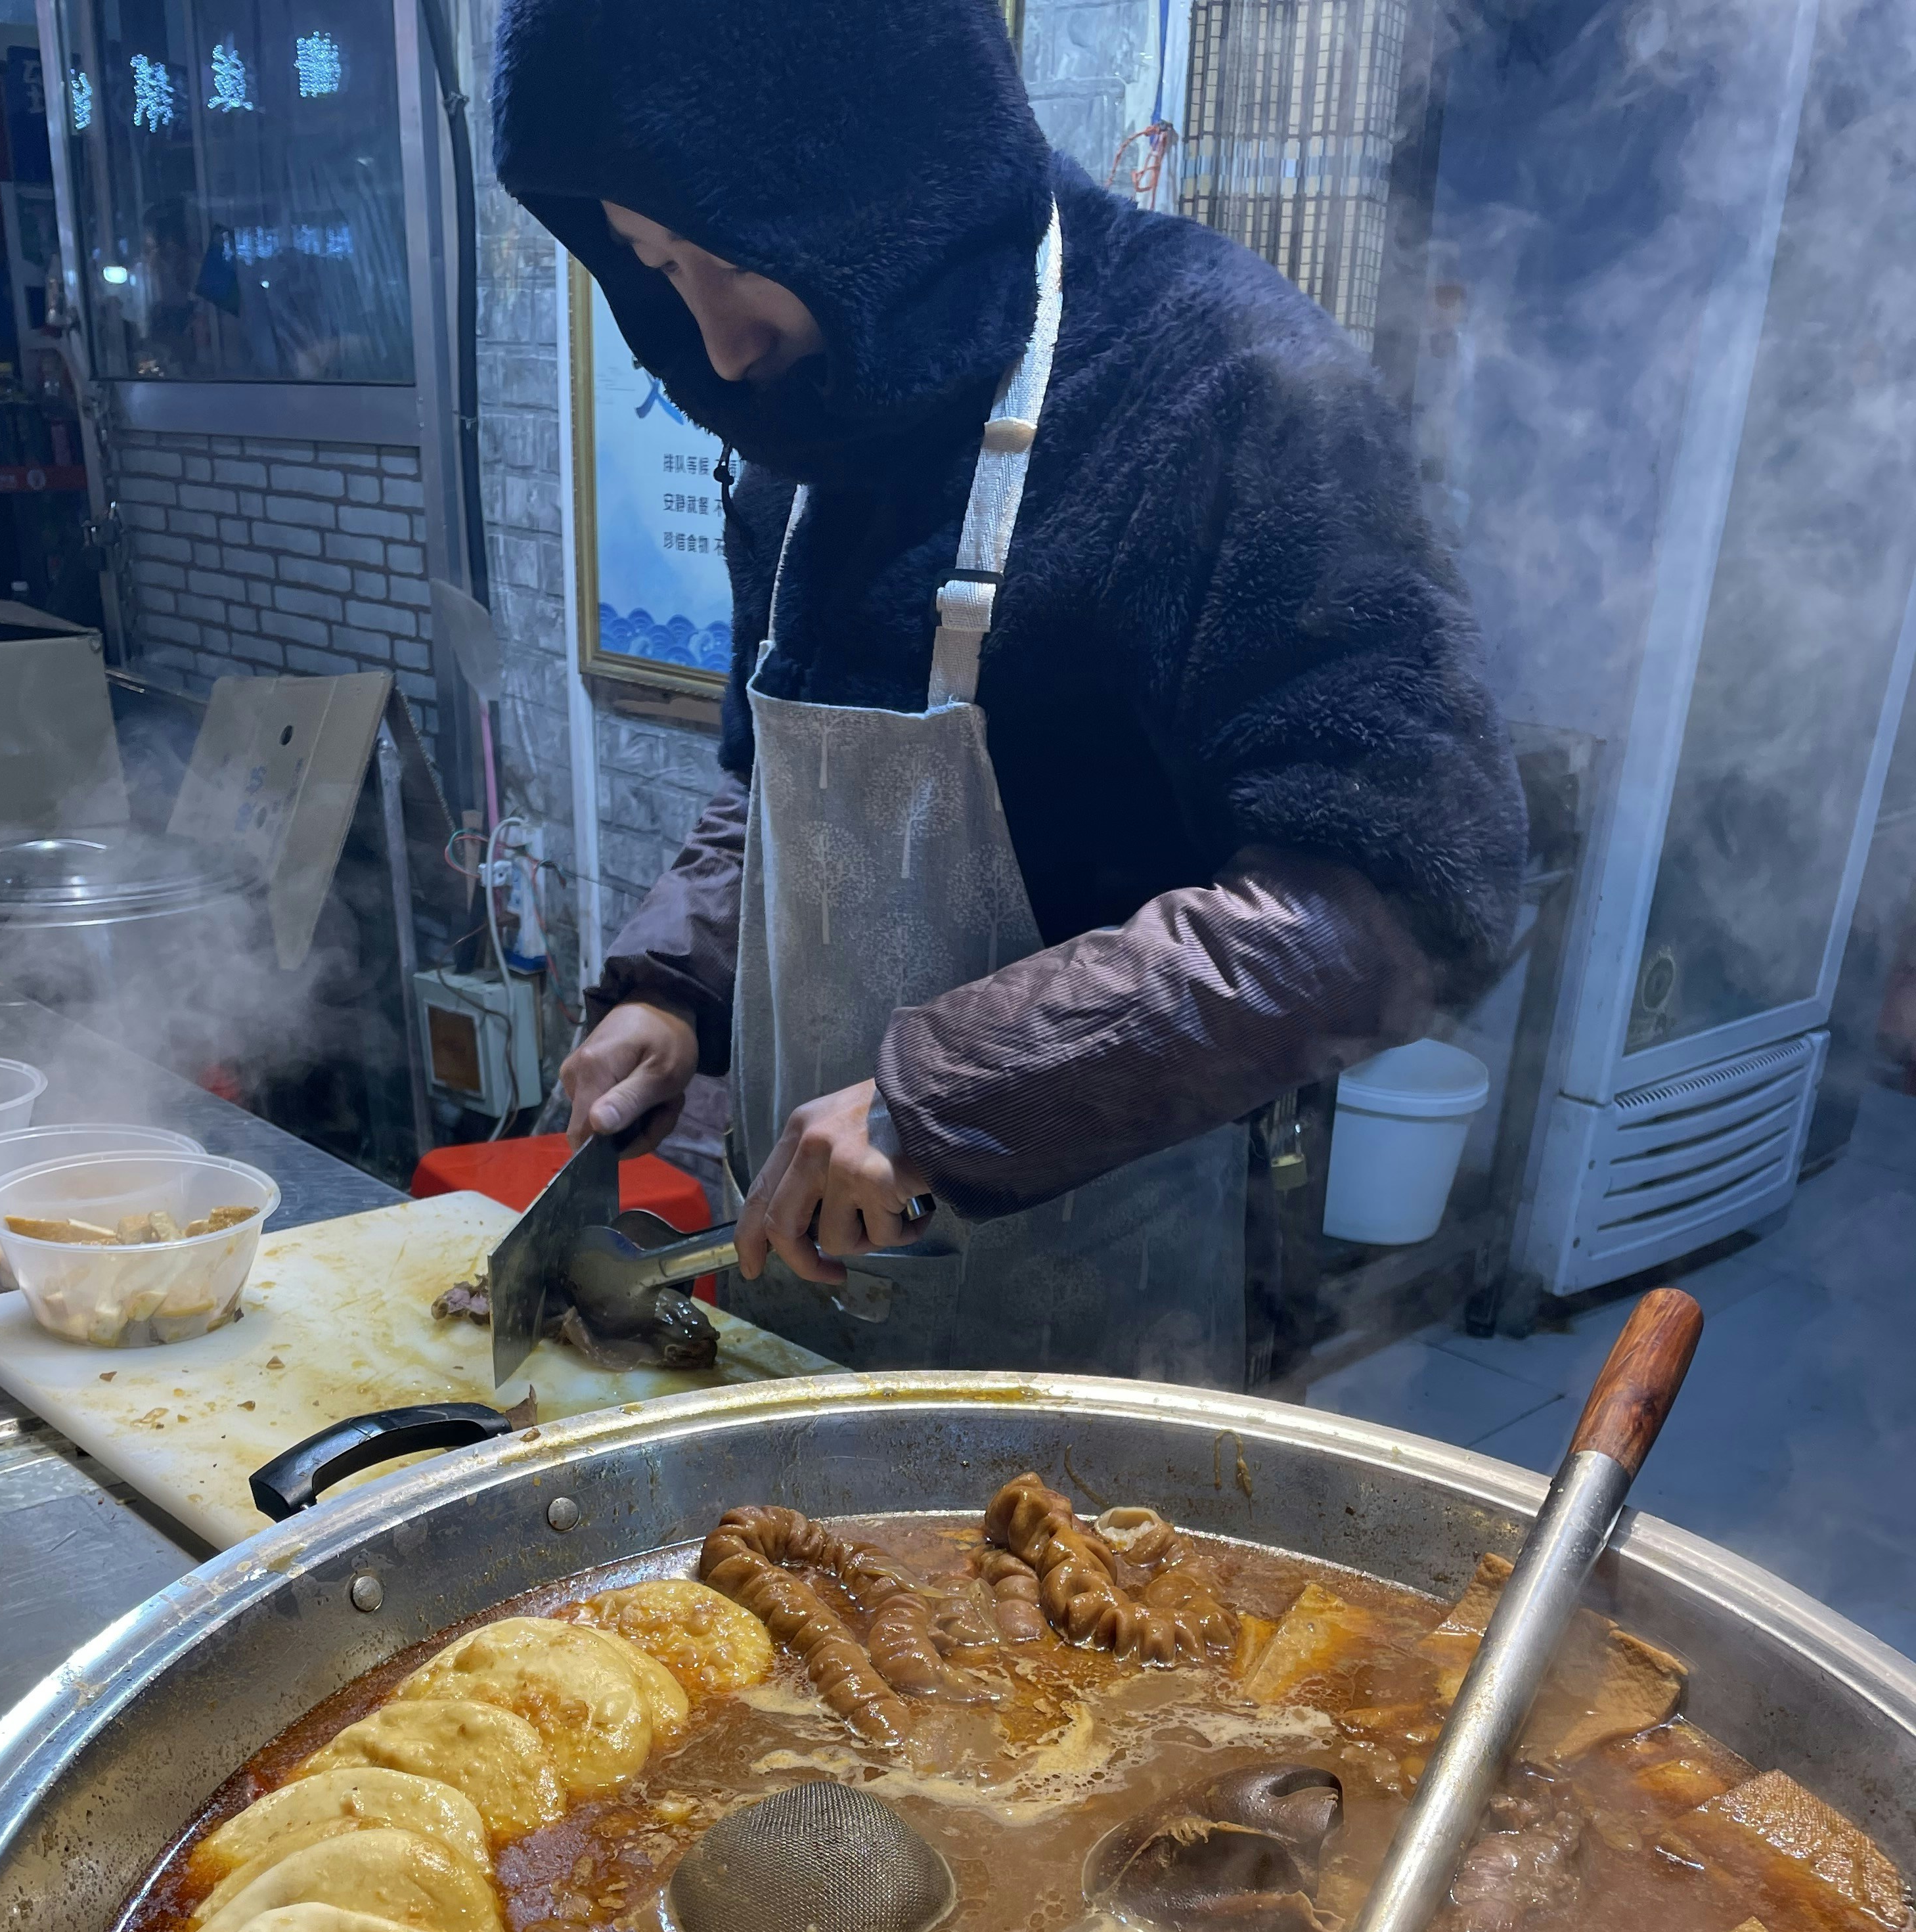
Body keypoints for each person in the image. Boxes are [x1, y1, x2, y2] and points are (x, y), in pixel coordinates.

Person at [493, 0, 1525, 1385]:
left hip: (1122, 1317)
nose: (719, 345)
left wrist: (948, 1101)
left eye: (734, 261)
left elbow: (1398, 899)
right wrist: (673, 987)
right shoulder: (801, 416)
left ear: (869, 176)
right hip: (798, 1293)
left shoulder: (1221, 383)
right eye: (658, 268)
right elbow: (776, 802)